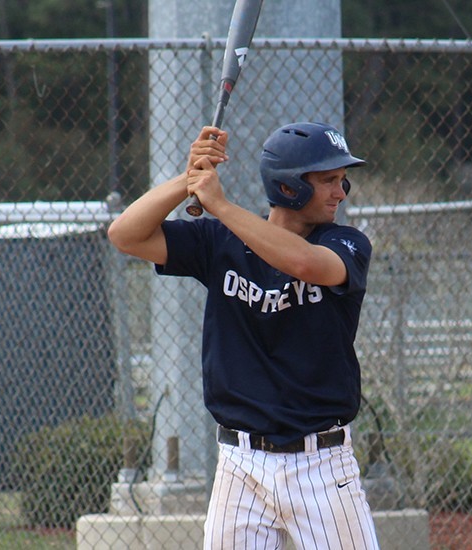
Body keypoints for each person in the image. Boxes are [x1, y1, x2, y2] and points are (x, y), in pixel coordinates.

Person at [107, 121, 379, 549]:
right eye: (327, 180)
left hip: (322, 465)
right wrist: (189, 178)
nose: (341, 191)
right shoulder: (219, 243)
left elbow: (307, 265)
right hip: (240, 464)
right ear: (290, 187)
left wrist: (220, 205)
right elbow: (124, 235)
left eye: (341, 179)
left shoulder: (346, 242)